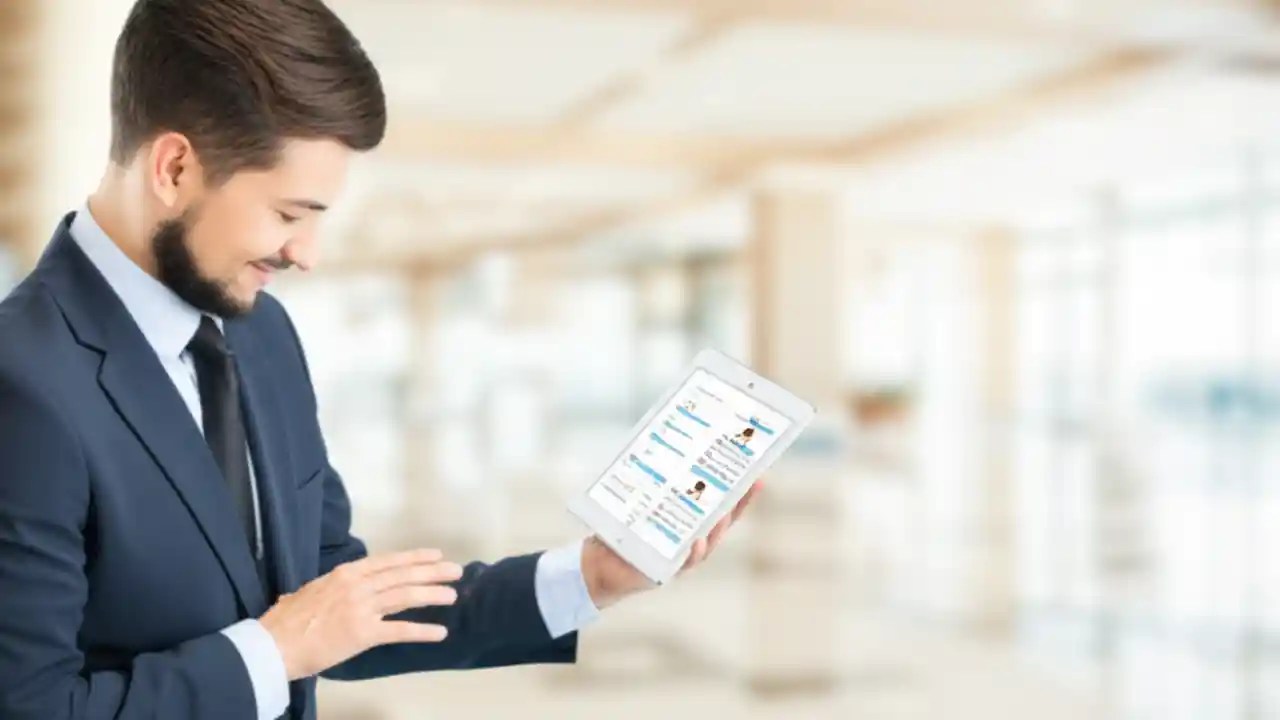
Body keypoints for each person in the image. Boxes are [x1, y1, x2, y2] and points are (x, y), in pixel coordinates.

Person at [0, 2, 759, 719]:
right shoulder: (22, 383)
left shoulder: (262, 338)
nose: (307, 253)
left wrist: (588, 576)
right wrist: (273, 651)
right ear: (173, 169)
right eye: (288, 213)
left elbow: (337, 600)